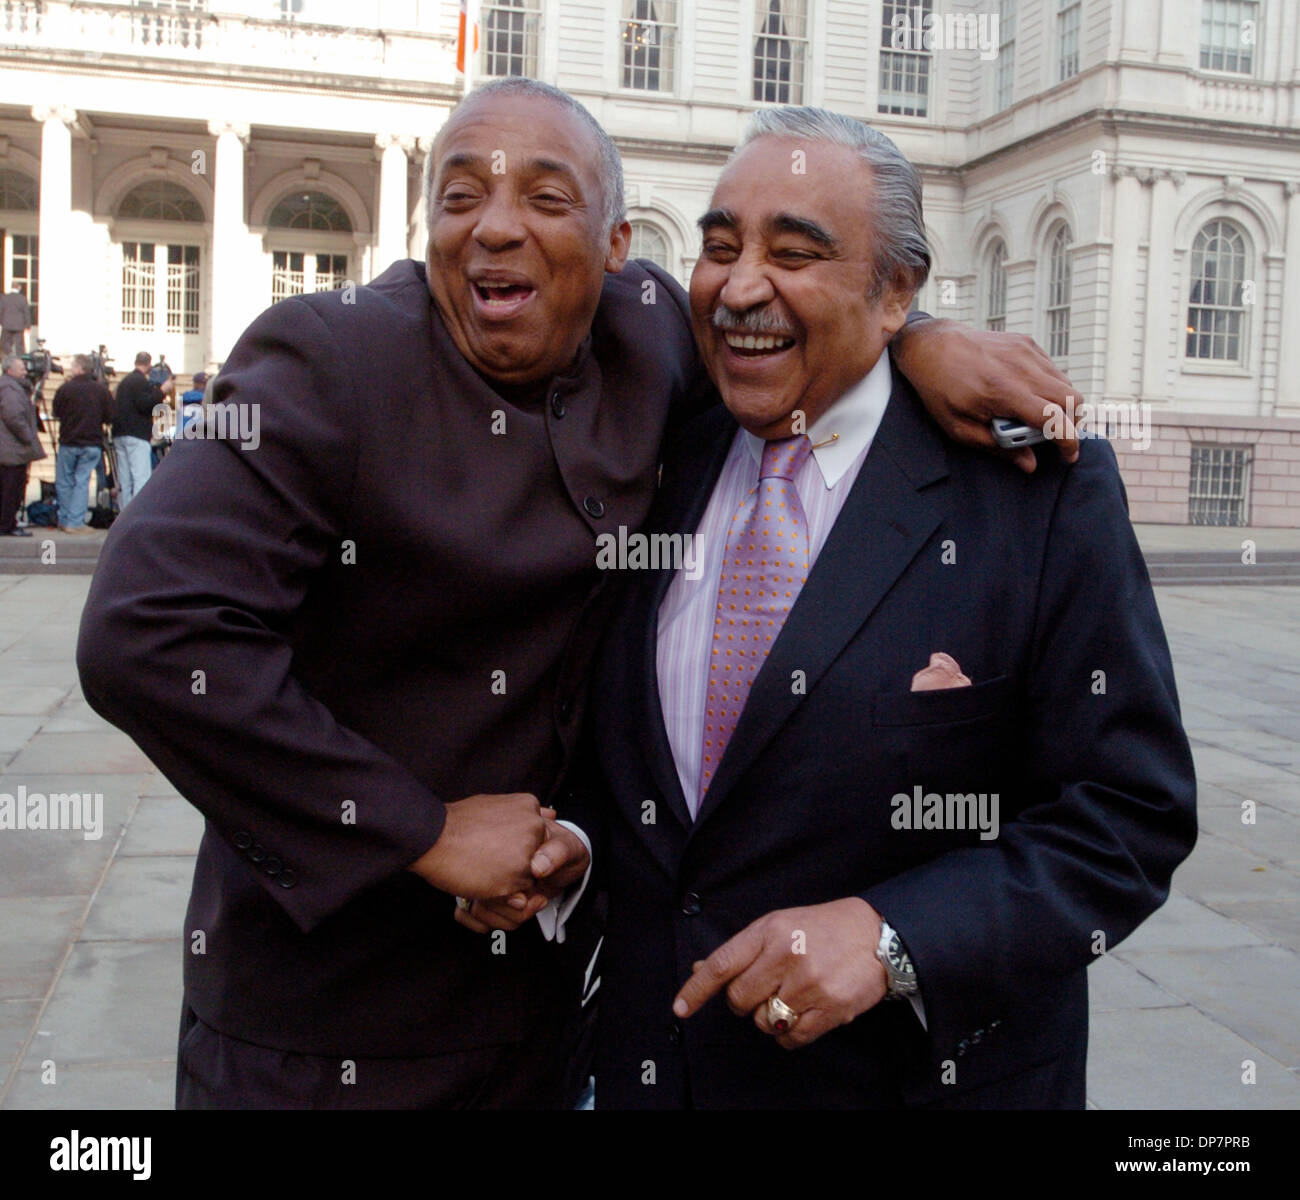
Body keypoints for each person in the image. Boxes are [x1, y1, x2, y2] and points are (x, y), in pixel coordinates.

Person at [77, 79, 1082, 1110]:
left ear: (613, 250)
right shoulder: (329, 360)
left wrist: (913, 340)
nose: (496, 228)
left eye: (547, 200)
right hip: (329, 1026)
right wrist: (414, 829)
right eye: (460, 197)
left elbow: (791, 307)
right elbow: (147, 633)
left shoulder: (646, 333)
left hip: (555, 1019)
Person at [576, 107, 1197, 1109]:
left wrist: (893, 936)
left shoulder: (1034, 490)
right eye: (720, 246)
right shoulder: (660, 443)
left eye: (793, 252)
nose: (739, 287)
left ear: (897, 287)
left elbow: (1128, 815)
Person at [53, 354, 114, 533]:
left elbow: (57, 411)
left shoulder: (65, 389)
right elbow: (110, 416)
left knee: (64, 481)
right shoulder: (101, 390)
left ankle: (64, 518)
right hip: (91, 441)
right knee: (82, 481)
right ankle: (75, 521)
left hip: (69, 440)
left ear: (79, 368)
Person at [111, 351, 173, 507]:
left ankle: (123, 512)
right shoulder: (139, 382)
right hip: (136, 434)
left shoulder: (124, 382)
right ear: (148, 365)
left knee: (125, 479)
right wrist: (162, 391)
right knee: (141, 477)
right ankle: (138, 511)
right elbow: (145, 404)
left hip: (120, 433)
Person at [0, 353, 46, 537]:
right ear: (10, 370)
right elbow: (13, 416)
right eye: (21, 368)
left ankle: (6, 523)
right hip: (12, 450)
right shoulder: (10, 389)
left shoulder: (11, 386)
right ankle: (7, 524)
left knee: (9, 488)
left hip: (10, 448)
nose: (25, 372)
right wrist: (28, 436)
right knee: (11, 489)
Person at [0, 286, 31, 356]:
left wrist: (2, 322)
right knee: (19, 345)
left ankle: (9, 356)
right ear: (19, 288)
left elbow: (0, 311)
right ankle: (20, 361)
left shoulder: (4, 298)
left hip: (7, 324)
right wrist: (28, 325)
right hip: (19, 325)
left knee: (4, 343)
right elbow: (26, 312)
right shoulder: (22, 298)